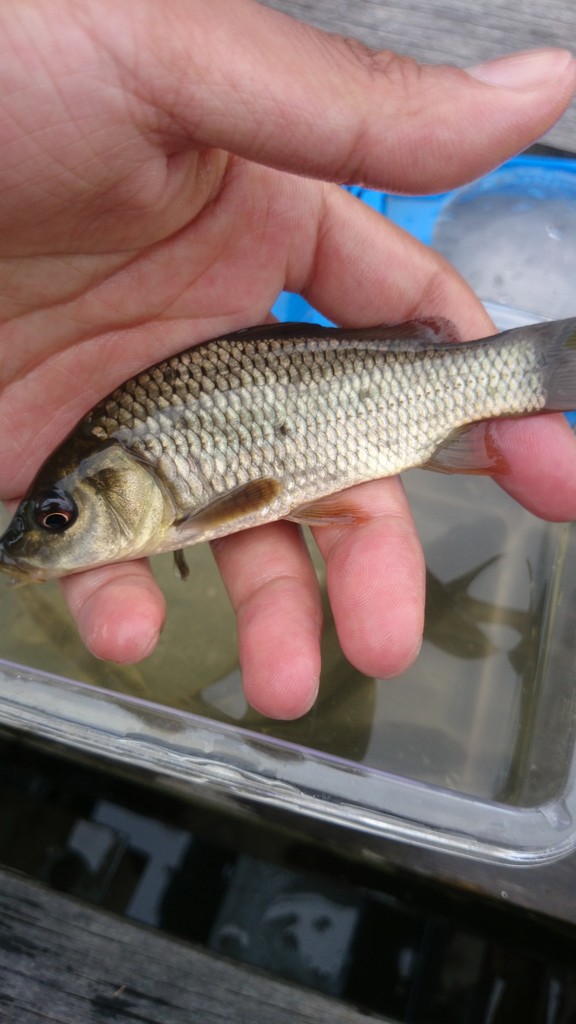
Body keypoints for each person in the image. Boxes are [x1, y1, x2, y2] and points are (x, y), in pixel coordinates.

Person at [0, 0, 575, 719]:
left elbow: (259, 495)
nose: (44, 535)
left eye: (59, 518)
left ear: (121, 481)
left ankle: (539, 365)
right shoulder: (148, 481)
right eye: (54, 519)